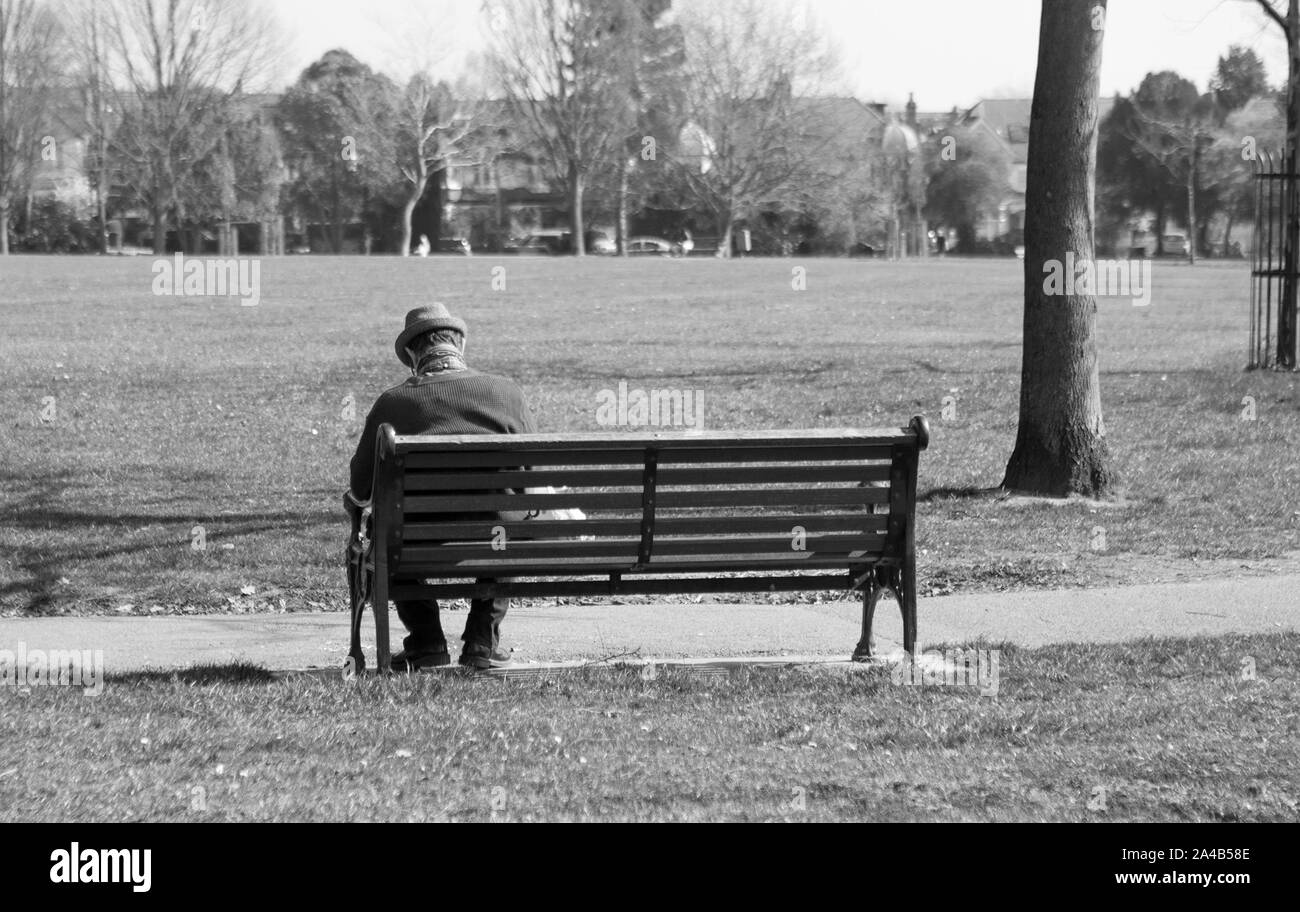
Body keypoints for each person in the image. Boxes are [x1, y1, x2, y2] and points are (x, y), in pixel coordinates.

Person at [347, 303, 537, 671]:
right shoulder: (506, 393)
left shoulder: (394, 403)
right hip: (498, 535)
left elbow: (361, 487)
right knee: (507, 524)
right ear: (459, 346)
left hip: (417, 536)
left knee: (390, 532)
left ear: (412, 355)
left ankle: (427, 642)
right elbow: (534, 472)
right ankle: (482, 641)